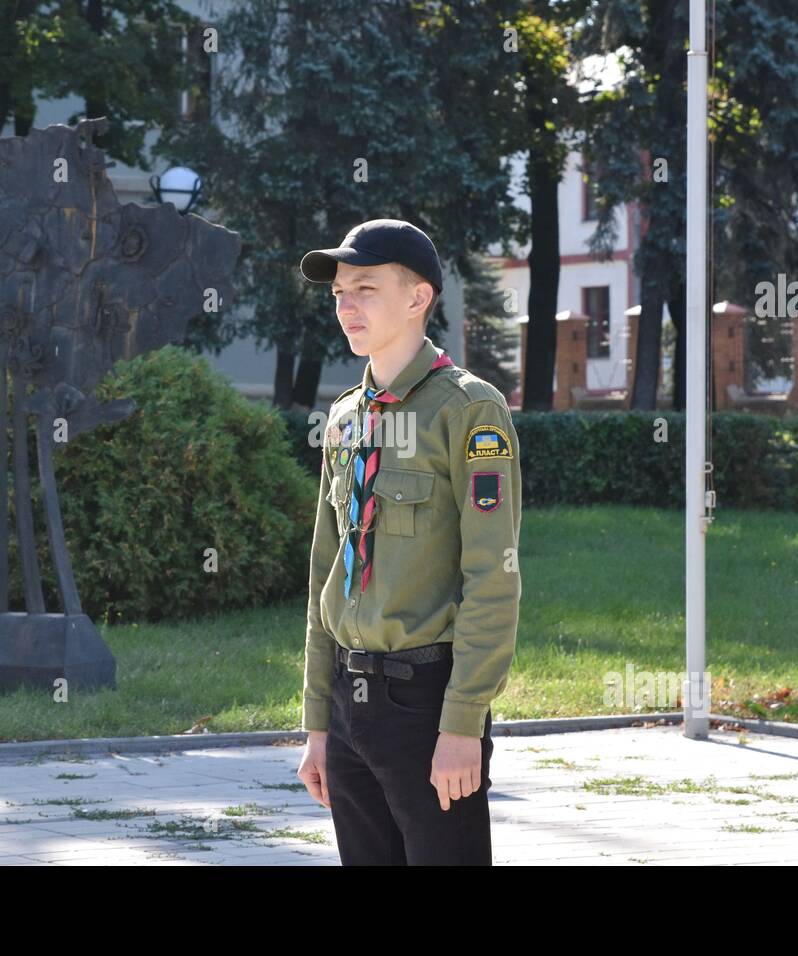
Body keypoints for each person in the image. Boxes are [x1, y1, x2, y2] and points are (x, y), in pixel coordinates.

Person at [294, 218, 522, 865]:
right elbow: (324, 576)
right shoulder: (344, 418)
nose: (346, 305)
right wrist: (317, 724)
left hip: (425, 704)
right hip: (347, 704)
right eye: (339, 292)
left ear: (418, 297)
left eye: (365, 288)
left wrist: (462, 724)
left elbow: (493, 575)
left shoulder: (468, 411)